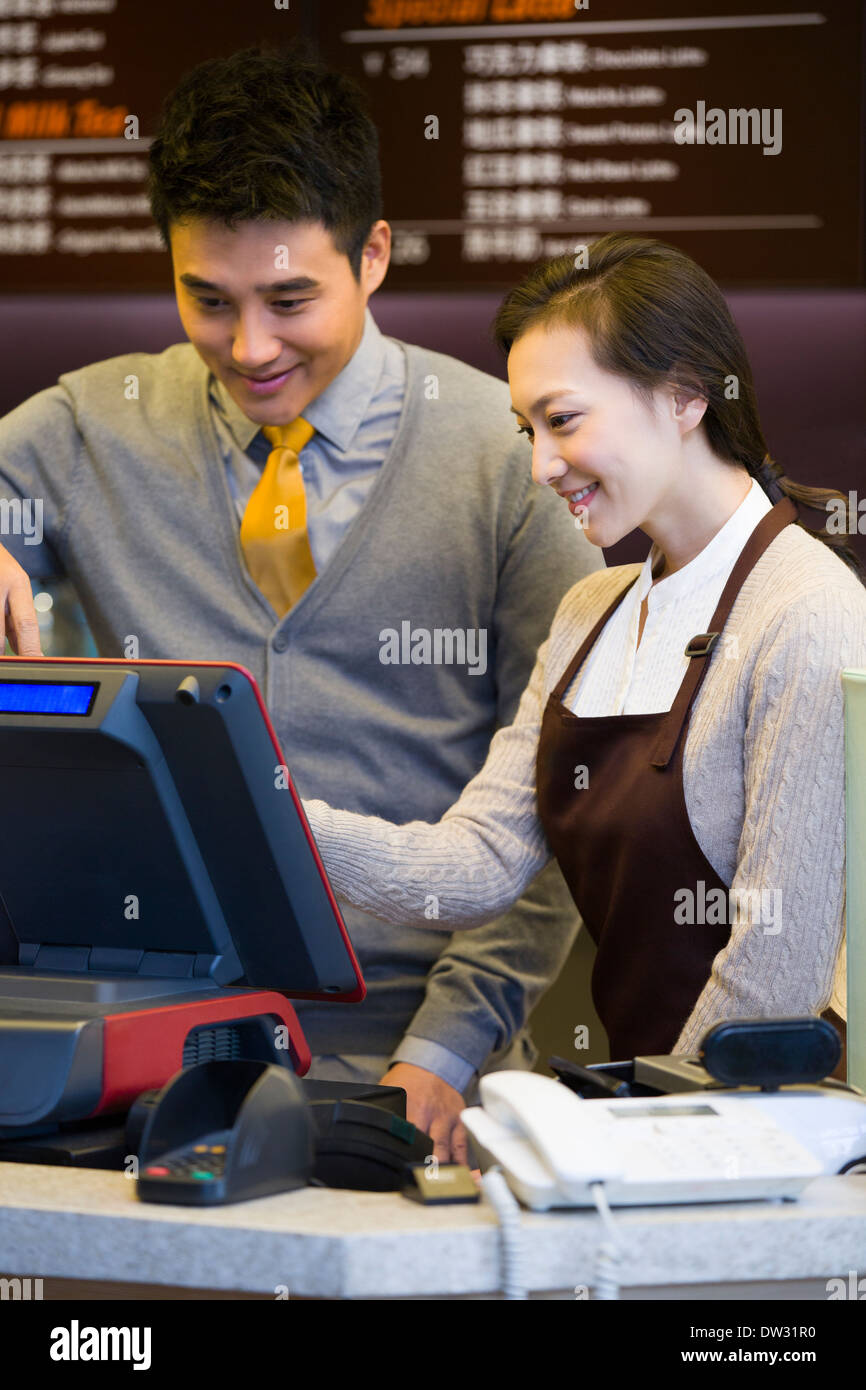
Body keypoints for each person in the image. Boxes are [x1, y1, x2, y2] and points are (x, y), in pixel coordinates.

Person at [0, 46, 602, 1161]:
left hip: (416, 1067)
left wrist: (451, 1045)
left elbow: (563, 798)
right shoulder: (93, 423)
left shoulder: (509, 457)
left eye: (289, 299)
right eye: (206, 300)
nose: (249, 347)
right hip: (146, 1062)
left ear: (373, 255)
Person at [303, 233, 866, 1072]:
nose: (539, 464)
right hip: (651, 1114)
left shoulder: (808, 610)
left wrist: (639, 1129)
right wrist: (276, 821)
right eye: (526, 428)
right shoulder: (589, 613)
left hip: (756, 1140)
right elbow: (476, 866)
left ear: (683, 397)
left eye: (562, 420)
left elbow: (775, 972)